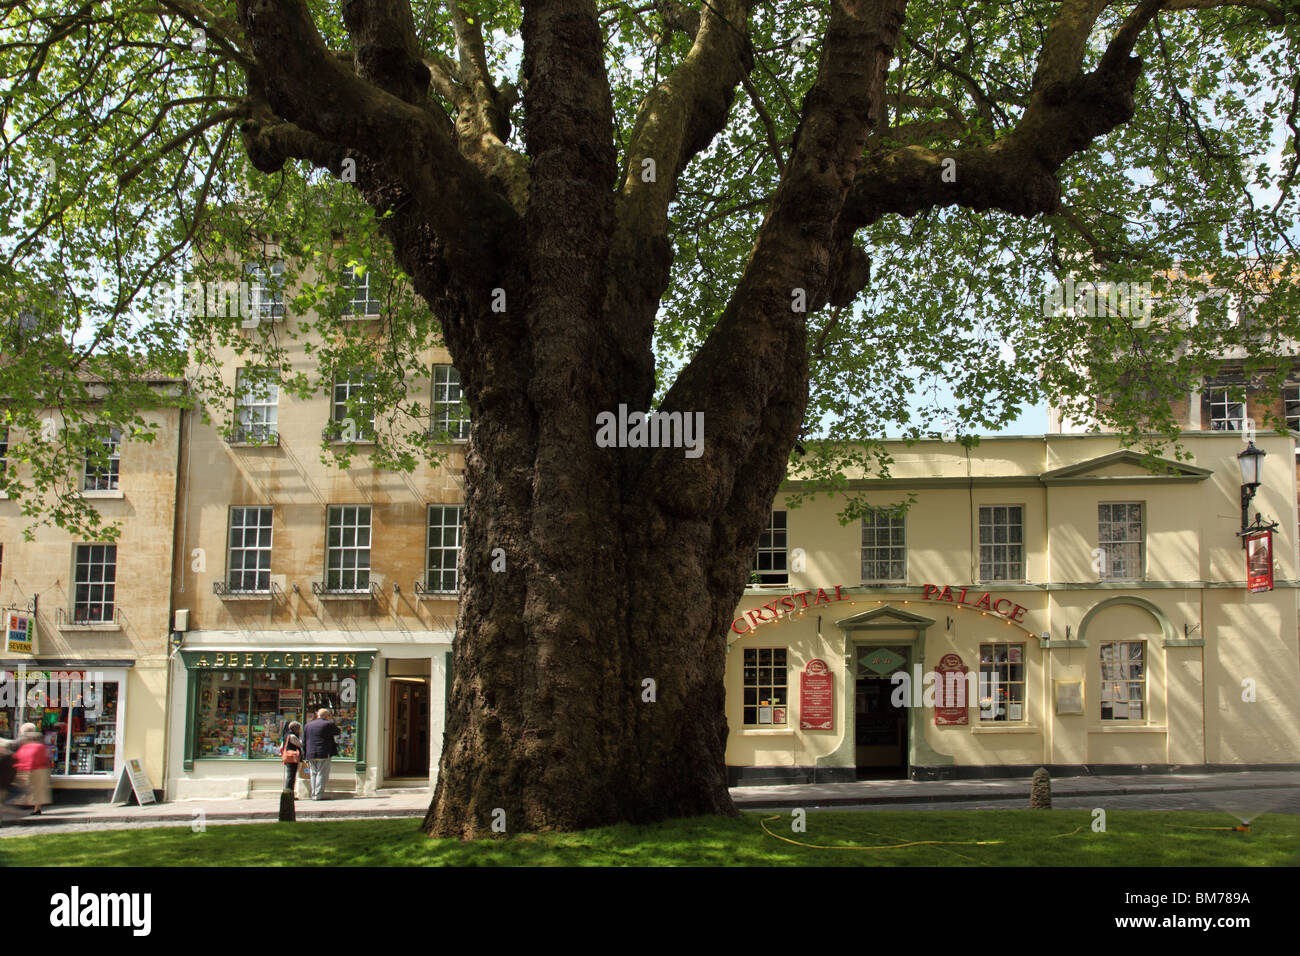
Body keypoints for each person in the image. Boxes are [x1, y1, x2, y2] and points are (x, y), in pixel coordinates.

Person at [12, 723, 52, 815]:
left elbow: (21, 758)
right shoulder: (33, 746)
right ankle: (35, 808)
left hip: (35, 770)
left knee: (35, 789)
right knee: (35, 790)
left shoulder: (33, 747)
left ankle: (36, 808)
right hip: (33, 770)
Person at [302, 708, 340, 801]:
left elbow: (304, 741)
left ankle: (314, 793)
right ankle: (318, 795)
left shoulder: (308, 725)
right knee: (322, 773)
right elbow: (337, 731)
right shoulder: (328, 724)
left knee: (313, 773)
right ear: (326, 716)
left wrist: (305, 753)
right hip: (323, 752)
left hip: (311, 753)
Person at [280, 721, 304, 798]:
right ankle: (289, 794)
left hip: (288, 757)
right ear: (296, 729)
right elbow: (300, 744)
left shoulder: (286, 735)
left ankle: (289, 793)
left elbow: (281, 746)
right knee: (291, 776)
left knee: (290, 776)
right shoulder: (292, 736)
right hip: (292, 758)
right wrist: (301, 738)